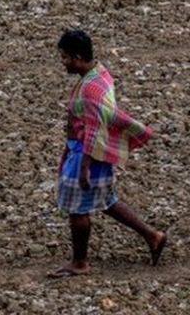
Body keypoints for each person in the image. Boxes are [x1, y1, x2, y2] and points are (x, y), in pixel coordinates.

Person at [49, 29, 167, 278]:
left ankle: (79, 262)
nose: (64, 63)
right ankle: (153, 236)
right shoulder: (100, 74)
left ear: (78, 57)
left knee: (78, 210)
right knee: (107, 200)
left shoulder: (90, 90)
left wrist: (83, 167)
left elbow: (92, 130)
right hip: (88, 153)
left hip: (85, 155)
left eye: (66, 58)